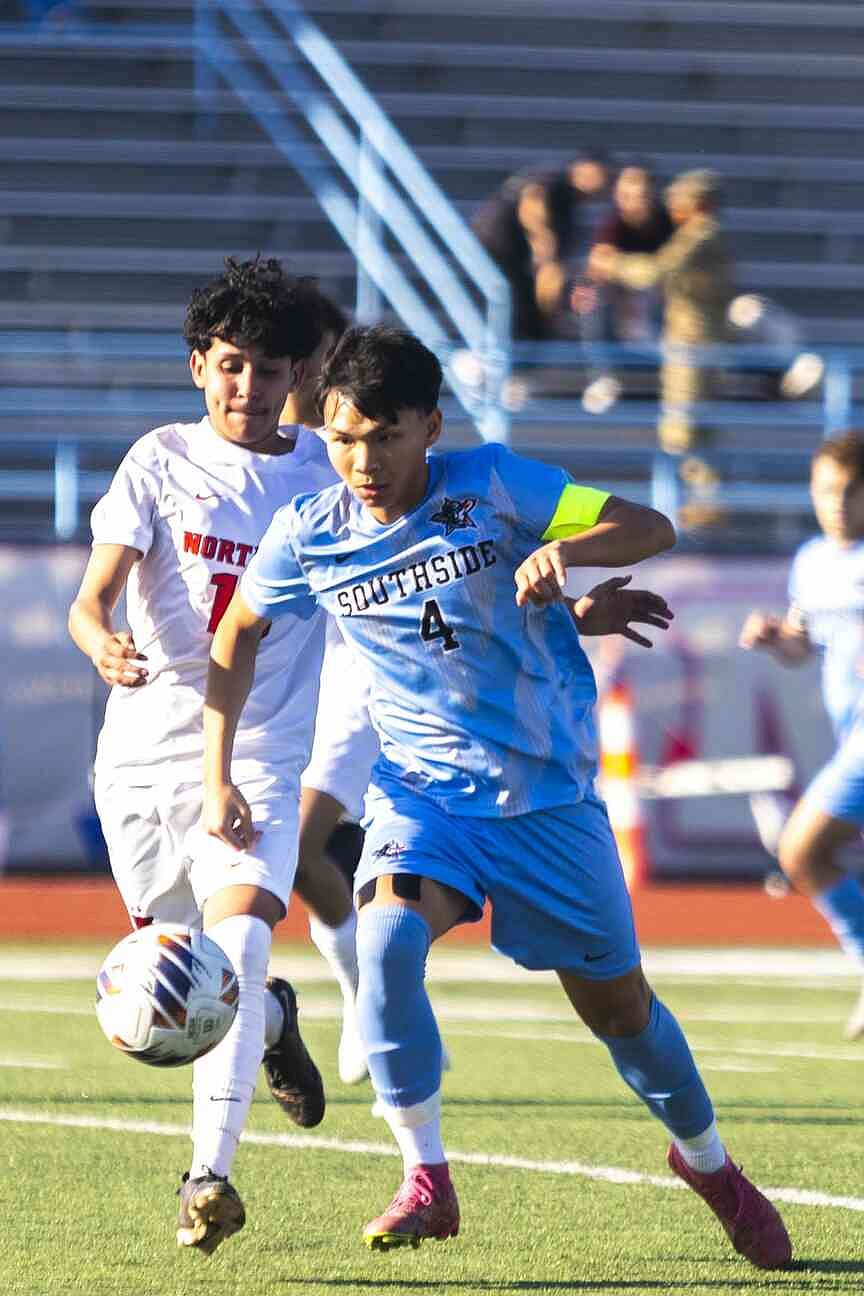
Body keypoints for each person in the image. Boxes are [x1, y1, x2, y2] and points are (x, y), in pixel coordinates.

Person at [203, 324, 792, 1268]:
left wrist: (571, 558)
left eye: (384, 436)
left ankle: (709, 1164)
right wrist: (215, 768)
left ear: (430, 427)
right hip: (423, 800)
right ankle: (425, 1176)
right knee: (388, 940)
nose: (362, 461)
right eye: (343, 438)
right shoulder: (309, 535)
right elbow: (236, 636)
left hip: (548, 804)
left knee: (623, 1016)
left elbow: (654, 527)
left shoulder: (493, 482)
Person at [67, 258, 377, 1256]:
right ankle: (276, 1021)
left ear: (299, 375)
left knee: (234, 947)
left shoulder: (327, 476)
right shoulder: (157, 460)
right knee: (181, 979)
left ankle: (210, 1177)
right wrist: (101, 637)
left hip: (260, 760)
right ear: (200, 366)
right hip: (143, 764)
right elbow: (91, 597)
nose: (249, 389)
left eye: (271, 370)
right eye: (231, 366)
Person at [740, 431, 864, 1039]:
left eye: (848, 491)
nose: (835, 503)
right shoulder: (812, 562)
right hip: (853, 738)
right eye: (825, 491)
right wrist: (776, 638)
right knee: (807, 855)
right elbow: (803, 644)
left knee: (801, 849)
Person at [588, 168, 734, 456]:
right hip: (693, 341)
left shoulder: (700, 234)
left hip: (693, 345)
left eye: (680, 201)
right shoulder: (701, 233)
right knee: (692, 431)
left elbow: (656, 271)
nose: (673, 208)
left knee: (683, 433)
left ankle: (698, 497)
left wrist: (613, 264)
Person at [471, 151, 611, 342]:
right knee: (511, 296)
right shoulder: (554, 180)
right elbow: (532, 200)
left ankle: (534, 335)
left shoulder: (572, 204)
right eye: (593, 174)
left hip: (517, 251)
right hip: (498, 242)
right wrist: (542, 236)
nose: (597, 182)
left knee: (532, 298)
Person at [578, 163, 675, 414]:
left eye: (642, 194)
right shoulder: (612, 225)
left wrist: (638, 272)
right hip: (622, 306)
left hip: (657, 307)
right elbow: (600, 262)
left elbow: (674, 271)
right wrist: (644, 273)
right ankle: (604, 376)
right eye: (627, 195)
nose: (635, 202)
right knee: (590, 297)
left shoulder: (667, 225)